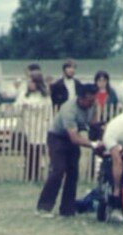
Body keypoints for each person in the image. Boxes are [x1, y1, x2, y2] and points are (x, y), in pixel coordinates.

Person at [36, 83, 97, 217]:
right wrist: (94, 145)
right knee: (58, 170)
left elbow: (92, 124)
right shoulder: (69, 109)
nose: (92, 103)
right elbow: (74, 138)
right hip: (58, 138)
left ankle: (67, 209)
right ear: (80, 98)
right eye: (89, 100)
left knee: (73, 172)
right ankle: (43, 207)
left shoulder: (93, 105)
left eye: (93, 99)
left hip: (72, 137)